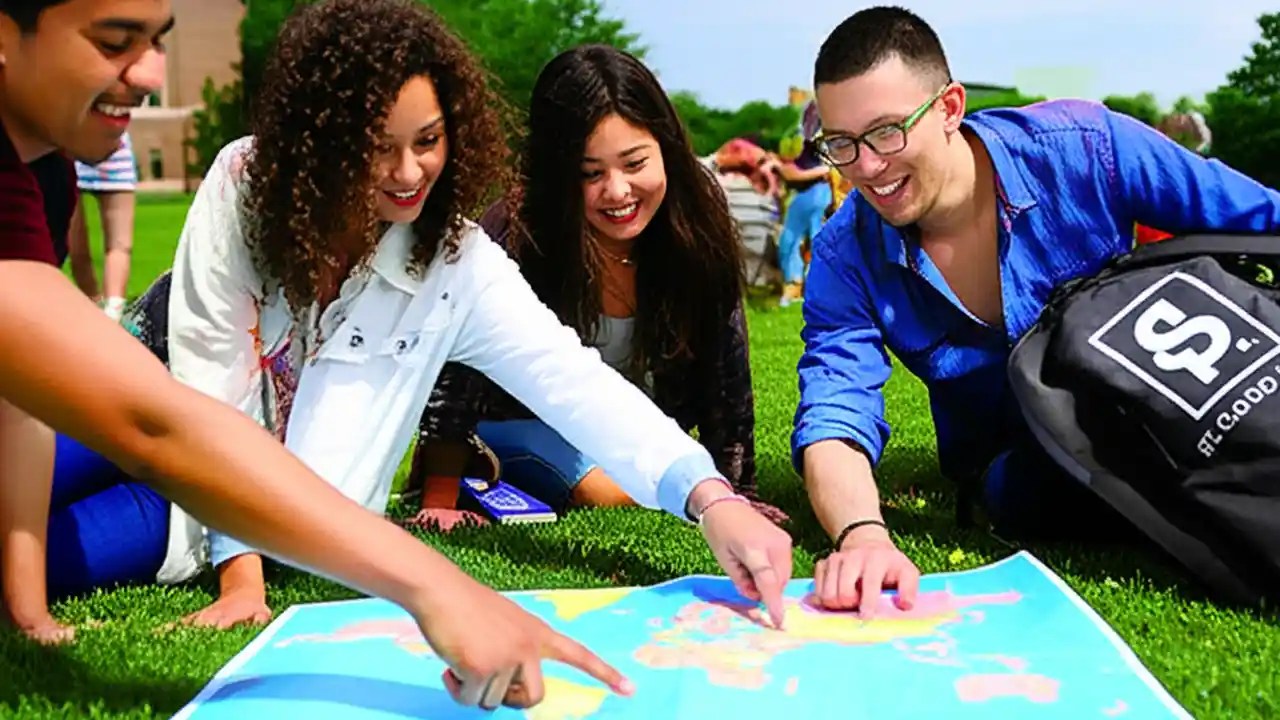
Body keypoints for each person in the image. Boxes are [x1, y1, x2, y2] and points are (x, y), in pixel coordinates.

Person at [5, 0, 792, 647]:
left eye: (429, 142)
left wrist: (709, 494)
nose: (410, 172)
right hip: (130, 391)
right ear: (320, 138)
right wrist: (241, 581)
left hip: (211, 499)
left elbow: (574, 381)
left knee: (63, 550)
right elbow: (209, 373)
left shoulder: (456, 262)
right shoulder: (246, 183)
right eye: (379, 147)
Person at [793, 7, 1280, 615]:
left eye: (888, 132)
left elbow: (1258, 219)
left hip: (1178, 396)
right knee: (1019, 496)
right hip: (1025, 470)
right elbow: (836, 407)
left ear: (949, 109)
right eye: (841, 143)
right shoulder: (845, 253)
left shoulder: (1085, 147)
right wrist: (862, 536)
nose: (866, 167)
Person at [410, 44, 787, 528]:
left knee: (663, 478)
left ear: (666, 149)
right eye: (590, 173)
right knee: (609, 491)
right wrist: (440, 500)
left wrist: (738, 493)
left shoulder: (696, 222)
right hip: (524, 426)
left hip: (634, 432)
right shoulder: (517, 232)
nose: (617, 191)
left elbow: (726, 366)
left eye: (634, 164)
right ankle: (487, 468)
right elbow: (460, 369)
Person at [66, 131, 137, 319]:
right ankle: (111, 311)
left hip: (73, 147)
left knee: (78, 246)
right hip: (109, 147)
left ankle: (102, 308)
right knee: (117, 245)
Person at [774, 100, 832, 306]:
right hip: (806, 193)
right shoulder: (802, 139)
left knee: (816, 239)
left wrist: (797, 174)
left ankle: (816, 288)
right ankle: (795, 285)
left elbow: (829, 168)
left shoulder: (828, 138)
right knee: (790, 240)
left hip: (817, 192)